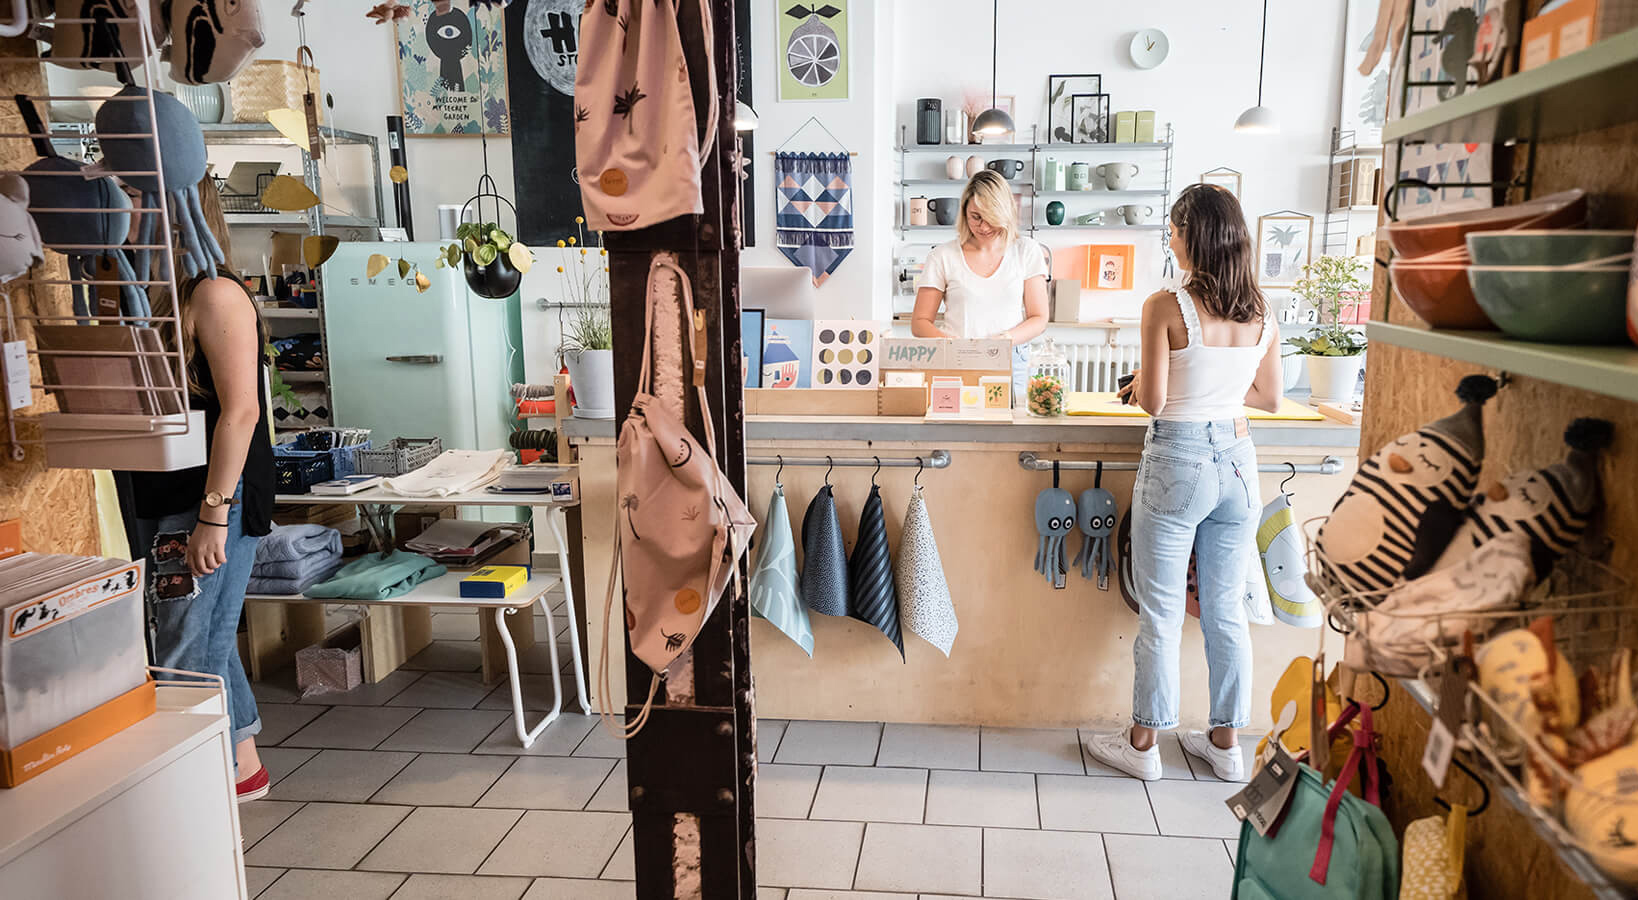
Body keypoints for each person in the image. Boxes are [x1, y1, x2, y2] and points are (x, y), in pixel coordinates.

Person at [1084, 184, 1284, 782]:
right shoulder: (1262, 310)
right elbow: (1269, 397)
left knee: (1163, 613)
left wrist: (1167, 381)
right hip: (1239, 462)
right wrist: (1219, 391)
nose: (1169, 239)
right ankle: (1226, 745)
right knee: (1226, 610)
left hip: (1179, 461)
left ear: (1191, 237)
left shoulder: (1165, 304)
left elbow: (1153, 401)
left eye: (1173, 230)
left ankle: (1144, 745)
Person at [125, 177, 274, 802]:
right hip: (162, 490)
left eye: (133, 199)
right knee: (204, 635)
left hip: (210, 496)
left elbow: (242, 413)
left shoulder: (213, 294)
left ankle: (194, 790)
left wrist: (213, 515)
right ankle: (242, 765)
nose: (123, 214)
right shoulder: (144, 293)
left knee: (184, 644)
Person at [911, 170, 1050, 400]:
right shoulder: (943, 255)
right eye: (976, 216)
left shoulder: (1026, 251)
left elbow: (1039, 318)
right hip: (955, 358)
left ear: (1004, 213)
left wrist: (1005, 340)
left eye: (991, 217)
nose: (983, 226)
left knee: (1010, 430)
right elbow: (919, 323)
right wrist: (953, 345)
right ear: (964, 211)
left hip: (1010, 358)